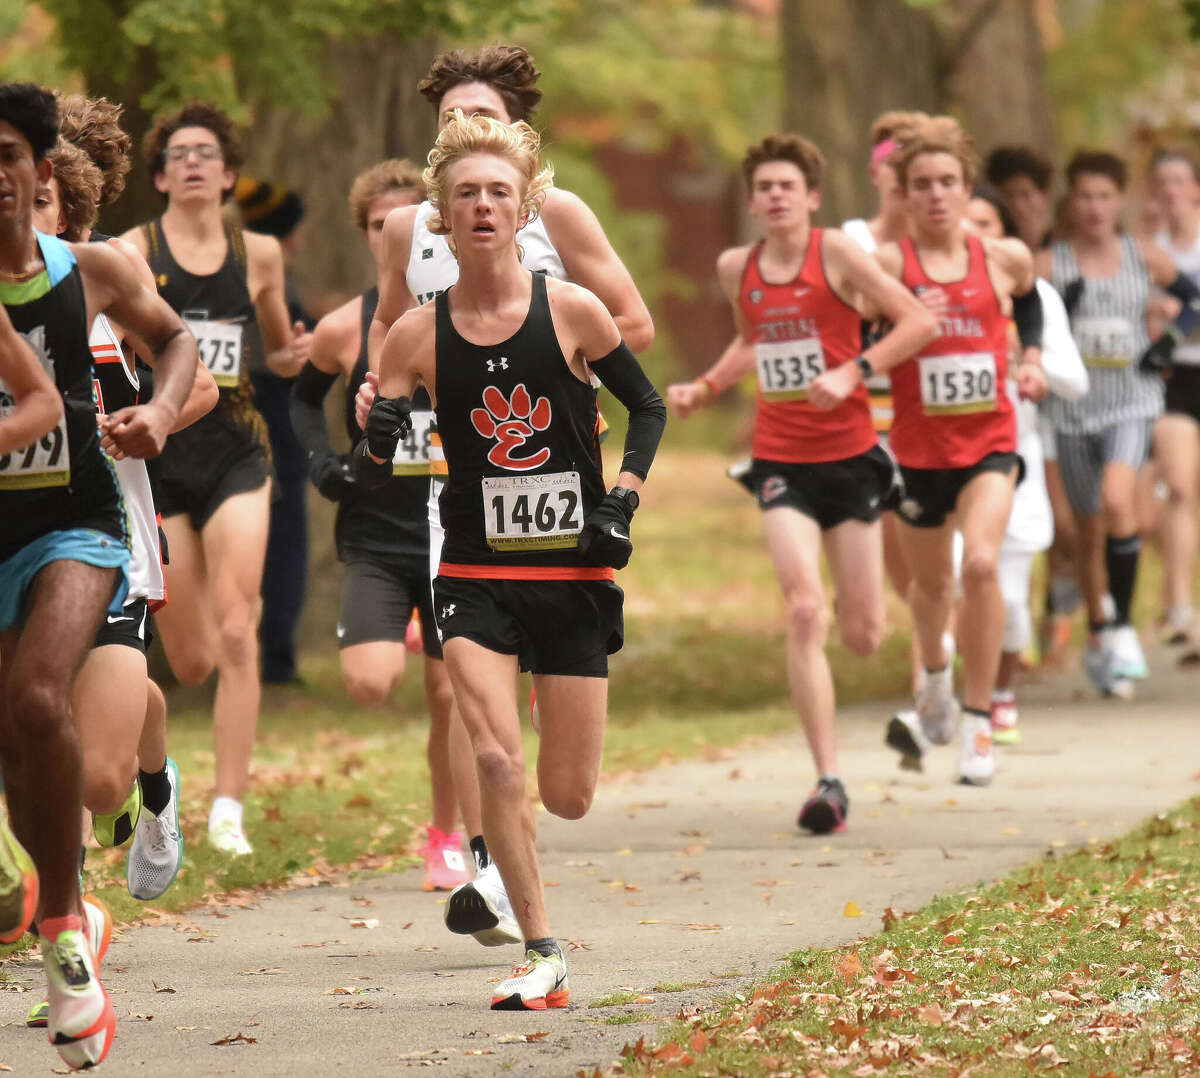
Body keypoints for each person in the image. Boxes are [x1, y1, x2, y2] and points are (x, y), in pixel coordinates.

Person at [360, 112, 665, 1010]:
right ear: (442, 218)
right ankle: (542, 952)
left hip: (571, 575)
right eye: (466, 195)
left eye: (498, 192)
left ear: (524, 207)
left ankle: (535, 894)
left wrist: (623, 500)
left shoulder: (570, 309)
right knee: (497, 760)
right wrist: (378, 428)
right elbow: (383, 429)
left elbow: (647, 412)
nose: (483, 206)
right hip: (474, 573)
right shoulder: (416, 333)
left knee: (566, 794)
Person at [0, 81, 197, 1070]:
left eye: (9, 160)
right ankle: (51, 907)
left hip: (85, 526)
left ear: (46, 176)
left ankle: (69, 924)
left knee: (55, 720)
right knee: (23, 731)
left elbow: (182, 348)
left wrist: (157, 414)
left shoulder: (99, 272)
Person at [667, 133, 936, 831]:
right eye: (764, 187)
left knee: (865, 633)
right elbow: (752, 341)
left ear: (811, 197)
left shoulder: (839, 256)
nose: (776, 196)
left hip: (850, 459)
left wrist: (855, 370)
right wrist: (705, 385)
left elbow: (919, 319)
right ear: (752, 202)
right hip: (780, 459)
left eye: (789, 185)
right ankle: (828, 780)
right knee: (804, 611)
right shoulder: (738, 268)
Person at [121, 102, 310, 856]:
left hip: (237, 446)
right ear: (161, 174)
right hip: (162, 457)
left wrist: (308, 354)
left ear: (229, 174)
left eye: (207, 152)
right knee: (191, 658)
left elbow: (278, 348)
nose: (193, 162)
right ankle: (159, 771)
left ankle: (228, 809)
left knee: (240, 627)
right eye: (178, 153)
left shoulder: (259, 252)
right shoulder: (132, 251)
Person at [291, 158, 473, 892]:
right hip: (375, 531)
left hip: (450, 527)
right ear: (368, 233)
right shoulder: (345, 326)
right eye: (377, 225)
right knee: (369, 685)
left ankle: (447, 836)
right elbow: (302, 403)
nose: (390, 236)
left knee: (448, 695)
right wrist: (324, 465)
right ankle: (397, 624)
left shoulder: (464, 317)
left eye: (407, 220)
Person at [874, 116, 1048, 786]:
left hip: (990, 444)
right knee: (930, 586)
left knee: (980, 566)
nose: (937, 194)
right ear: (906, 195)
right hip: (918, 451)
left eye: (948, 181)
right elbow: (859, 330)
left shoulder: (1003, 258)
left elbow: (1028, 306)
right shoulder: (890, 266)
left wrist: (1028, 359)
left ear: (968, 187)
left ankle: (979, 722)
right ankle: (936, 677)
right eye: (922, 184)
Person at [1037, 150, 1200, 696]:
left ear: (1121, 201)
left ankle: (1126, 624)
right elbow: (1019, 315)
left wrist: (1168, 343)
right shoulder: (1050, 263)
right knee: (1086, 531)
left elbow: (1194, 299)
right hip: (1073, 408)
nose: (1094, 207)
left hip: (1133, 400)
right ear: (1071, 202)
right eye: (1084, 196)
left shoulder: (1142, 254)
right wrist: (1054, 309)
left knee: (1117, 500)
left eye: (1105, 196)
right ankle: (1101, 630)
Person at [963, 186, 1087, 741]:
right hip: (942, 457)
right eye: (967, 224)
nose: (974, 236)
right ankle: (950, 697)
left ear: (1006, 234)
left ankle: (1001, 689)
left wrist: (1028, 364)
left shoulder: (1036, 296)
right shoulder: (925, 289)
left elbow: (1076, 381)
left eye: (985, 223)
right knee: (945, 585)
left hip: (1015, 454)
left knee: (1006, 595)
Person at [236, 176, 313, 684]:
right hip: (269, 404)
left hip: (228, 405)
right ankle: (275, 654)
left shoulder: (220, 267)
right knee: (285, 530)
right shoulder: (270, 273)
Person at [1149, 149, 1200, 649]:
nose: (1171, 190)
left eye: (1180, 180)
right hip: (1174, 377)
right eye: (1161, 181)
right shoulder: (1150, 251)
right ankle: (1182, 607)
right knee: (1180, 488)